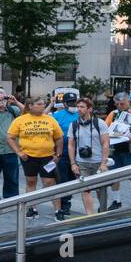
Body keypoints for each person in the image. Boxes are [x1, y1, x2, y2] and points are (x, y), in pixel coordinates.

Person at [5, 96, 64, 217]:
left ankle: (58, 210)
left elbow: (59, 138)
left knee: (50, 182)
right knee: (30, 181)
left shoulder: (50, 119)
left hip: (47, 157)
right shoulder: (20, 120)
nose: (42, 106)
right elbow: (9, 137)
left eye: (43, 104)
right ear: (30, 106)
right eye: (39, 104)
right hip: (28, 157)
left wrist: (58, 154)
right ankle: (32, 208)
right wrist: (18, 152)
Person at [64, 96, 111, 215]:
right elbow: (71, 145)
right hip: (82, 162)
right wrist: (73, 163)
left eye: (82, 107)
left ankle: (103, 212)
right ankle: (90, 216)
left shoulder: (99, 123)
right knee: (85, 190)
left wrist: (103, 163)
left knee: (101, 189)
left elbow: (106, 143)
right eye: (78, 107)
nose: (79, 109)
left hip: (98, 161)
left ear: (89, 109)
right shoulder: (73, 125)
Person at [105, 93, 131, 209]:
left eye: (122, 103)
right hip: (115, 148)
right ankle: (116, 200)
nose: (119, 106)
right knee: (114, 174)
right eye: (117, 104)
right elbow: (105, 129)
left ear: (128, 102)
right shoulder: (113, 114)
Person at [50, 91, 80, 220]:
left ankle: (67, 201)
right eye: (70, 102)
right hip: (62, 153)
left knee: (73, 179)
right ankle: (62, 204)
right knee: (62, 179)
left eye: (75, 102)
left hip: (78, 153)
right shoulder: (58, 115)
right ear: (64, 104)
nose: (73, 105)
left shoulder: (81, 114)